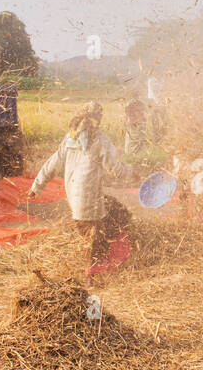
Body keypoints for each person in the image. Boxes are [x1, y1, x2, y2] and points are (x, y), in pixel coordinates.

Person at [28, 101, 130, 271]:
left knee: (110, 213)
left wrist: (36, 187)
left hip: (74, 197)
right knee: (95, 241)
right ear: (99, 117)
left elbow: (53, 164)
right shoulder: (100, 138)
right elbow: (115, 170)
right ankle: (93, 276)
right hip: (87, 199)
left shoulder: (71, 137)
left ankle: (102, 266)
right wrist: (135, 174)